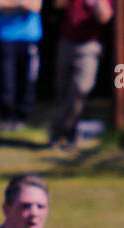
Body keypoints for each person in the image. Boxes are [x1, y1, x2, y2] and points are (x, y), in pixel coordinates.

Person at [48, 0, 111, 151]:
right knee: (63, 92)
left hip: (89, 46)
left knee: (81, 88)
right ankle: (67, 134)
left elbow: (105, 17)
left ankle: (58, 128)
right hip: (66, 43)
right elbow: (57, 4)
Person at [0, 0, 41, 131]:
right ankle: (6, 117)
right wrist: (21, 5)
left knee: (27, 79)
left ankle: (21, 117)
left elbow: (35, 7)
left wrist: (10, 6)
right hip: (7, 38)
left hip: (29, 38)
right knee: (6, 79)